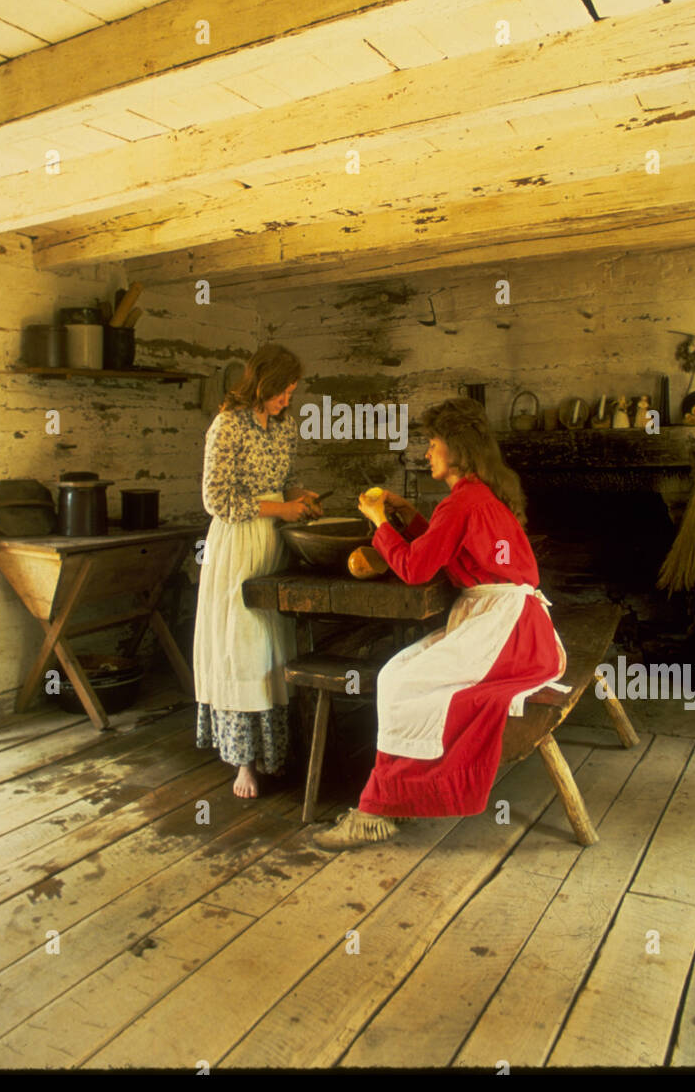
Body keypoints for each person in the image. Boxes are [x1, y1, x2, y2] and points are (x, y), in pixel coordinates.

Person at [312, 398, 570, 849]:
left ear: (458, 450)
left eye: (433, 444)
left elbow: (416, 568)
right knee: (398, 675)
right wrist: (406, 511)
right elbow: (442, 546)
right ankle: (400, 798)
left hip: (504, 631)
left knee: (400, 682)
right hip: (517, 627)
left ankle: (377, 810)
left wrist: (378, 522)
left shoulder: (463, 503)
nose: (426, 453)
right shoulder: (476, 495)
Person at [194, 344, 322, 798]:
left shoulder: (283, 427)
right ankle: (242, 762)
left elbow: (285, 480)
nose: (287, 401)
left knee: (273, 644)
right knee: (241, 645)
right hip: (237, 544)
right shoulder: (226, 426)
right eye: (281, 392)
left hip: (273, 543)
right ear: (261, 384)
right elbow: (218, 501)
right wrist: (280, 508)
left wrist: (299, 496)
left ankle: (274, 751)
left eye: (290, 393)